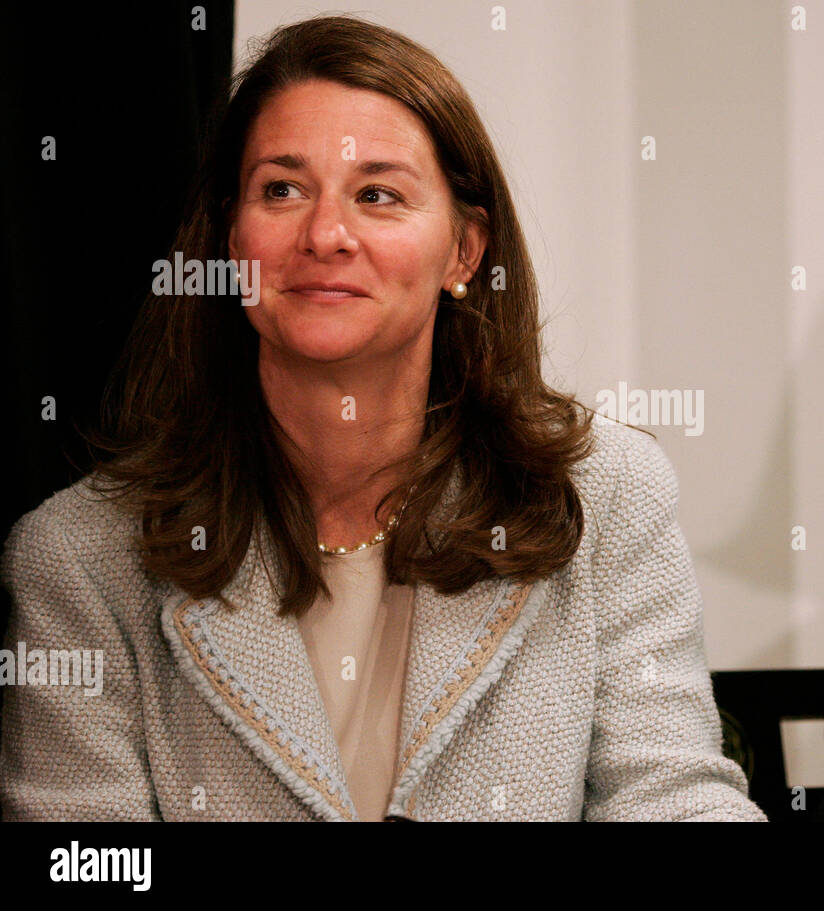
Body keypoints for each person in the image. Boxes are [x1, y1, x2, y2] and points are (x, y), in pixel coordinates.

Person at [0, 15, 764, 822]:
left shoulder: (605, 498)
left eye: (378, 195)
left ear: (465, 252)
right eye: (282, 189)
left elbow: (670, 797)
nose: (326, 234)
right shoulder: (79, 559)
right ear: (231, 240)